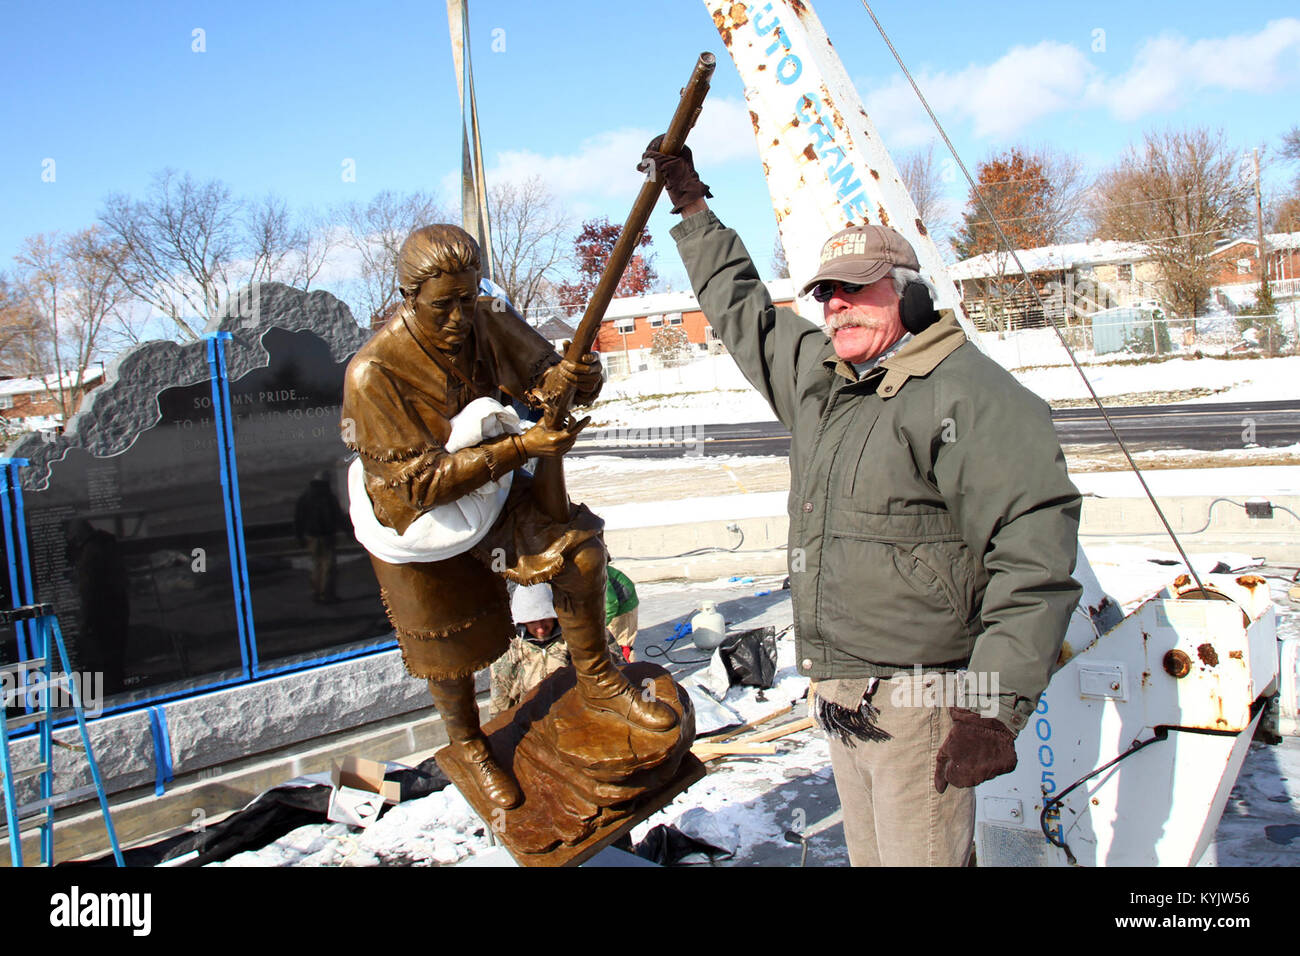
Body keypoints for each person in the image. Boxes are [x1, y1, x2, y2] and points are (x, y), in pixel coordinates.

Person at [640, 143, 1082, 866]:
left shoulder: (968, 394)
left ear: (907, 294)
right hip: (846, 701)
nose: (834, 304)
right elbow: (744, 312)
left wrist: (992, 708)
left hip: (923, 707)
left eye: (854, 288)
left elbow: (1033, 557)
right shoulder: (825, 382)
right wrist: (693, 211)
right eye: (824, 293)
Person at [341, 224, 676, 810]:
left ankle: (598, 681)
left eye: (467, 299)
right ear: (408, 298)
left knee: (580, 551)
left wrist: (573, 377)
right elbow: (412, 486)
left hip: (485, 486)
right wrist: (522, 449)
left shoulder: (484, 315)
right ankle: (467, 743)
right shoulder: (373, 374)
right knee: (448, 649)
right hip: (412, 521)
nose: (458, 318)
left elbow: (543, 372)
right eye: (442, 306)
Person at [294, 470, 350, 603]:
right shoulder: (329, 497)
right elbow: (338, 517)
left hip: (311, 537)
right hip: (327, 536)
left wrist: (300, 536)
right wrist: (348, 531)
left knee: (316, 565)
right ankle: (327, 594)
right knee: (328, 566)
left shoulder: (305, 497)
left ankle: (317, 592)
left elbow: (299, 519)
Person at [604, 564, 639, 662]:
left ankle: (629, 671)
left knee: (622, 643)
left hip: (624, 605)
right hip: (612, 601)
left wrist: (601, 623)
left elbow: (610, 604)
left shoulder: (594, 574)